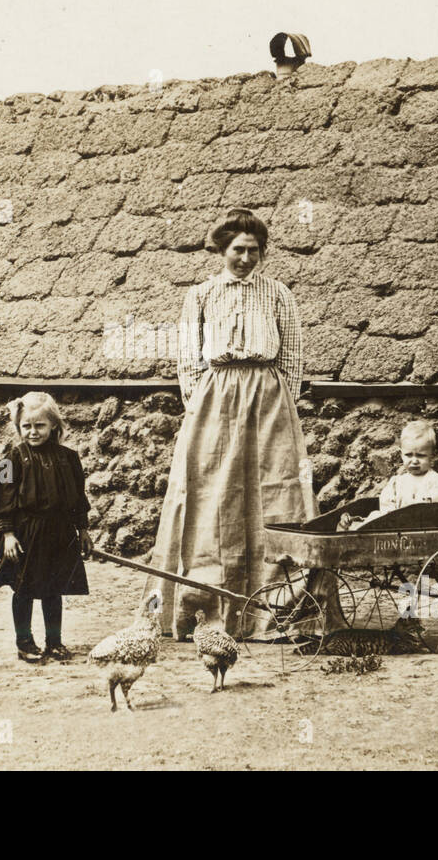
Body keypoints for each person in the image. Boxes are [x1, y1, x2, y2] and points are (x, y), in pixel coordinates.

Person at [144, 208, 316, 639]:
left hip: (268, 398)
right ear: (222, 250)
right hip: (215, 396)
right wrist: (200, 404)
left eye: (254, 251)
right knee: (208, 496)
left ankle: (272, 608)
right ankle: (204, 608)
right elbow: (188, 357)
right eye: (238, 250)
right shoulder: (201, 295)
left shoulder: (278, 294)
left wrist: (283, 403)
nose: (245, 259)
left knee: (273, 494)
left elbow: (292, 353)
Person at [0, 391, 92, 663]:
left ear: (53, 425)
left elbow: (78, 497)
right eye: (26, 426)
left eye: (39, 425)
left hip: (60, 532)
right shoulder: (11, 458)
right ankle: (25, 643)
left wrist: (83, 530)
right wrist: (8, 533)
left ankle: (54, 642)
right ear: (19, 427)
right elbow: (3, 495)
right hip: (25, 533)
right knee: (24, 589)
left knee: (53, 590)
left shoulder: (69, 458)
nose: (33, 432)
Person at [337, 420, 438, 531]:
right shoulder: (397, 482)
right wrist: (390, 516)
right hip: (395, 529)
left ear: (432, 456)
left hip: (423, 529)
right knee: (375, 515)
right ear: (401, 455)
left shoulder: (436, 483)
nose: (414, 461)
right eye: (408, 455)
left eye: (420, 455)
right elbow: (386, 507)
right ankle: (354, 531)